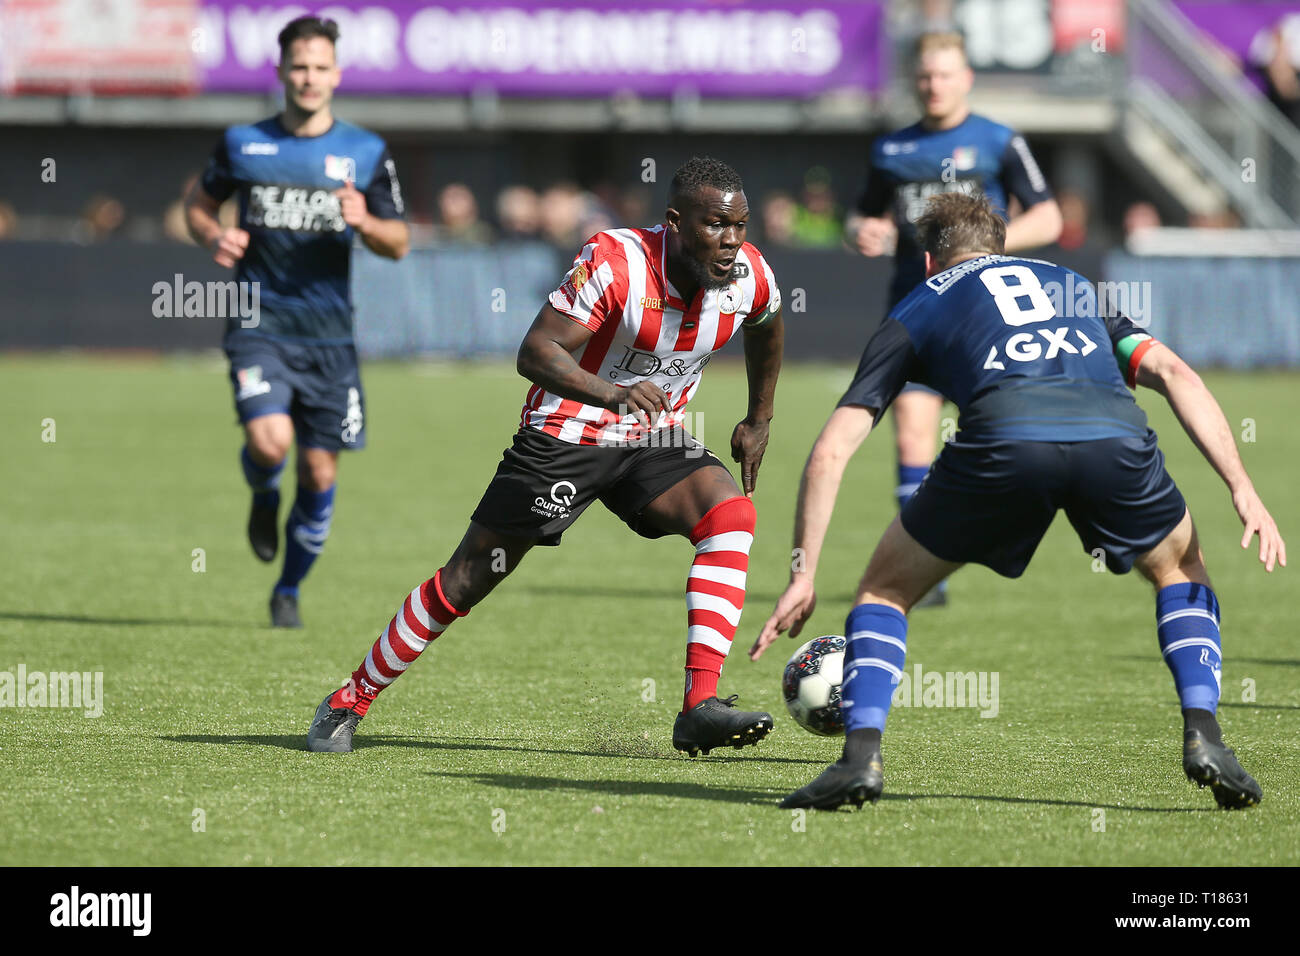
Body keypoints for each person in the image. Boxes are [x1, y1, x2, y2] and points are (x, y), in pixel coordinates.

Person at [753, 192, 1285, 811]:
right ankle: (1205, 735)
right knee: (1179, 569)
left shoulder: (918, 303)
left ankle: (860, 759)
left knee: (883, 592)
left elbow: (831, 449)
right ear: (1004, 247)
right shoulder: (1072, 283)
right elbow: (1175, 374)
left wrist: (804, 572)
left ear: (929, 261)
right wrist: (1241, 485)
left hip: (1005, 444)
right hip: (1113, 439)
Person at [307, 157, 785, 756]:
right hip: (566, 435)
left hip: (651, 438)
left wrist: (759, 418)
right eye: (717, 225)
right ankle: (349, 699)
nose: (732, 241)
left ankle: (699, 706)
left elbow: (767, 323)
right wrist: (612, 392)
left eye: (740, 225)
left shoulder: (747, 274)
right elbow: (535, 351)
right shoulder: (616, 262)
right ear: (674, 222)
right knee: (469, 578)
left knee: (731, 517)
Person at [183, 16, 409, 628]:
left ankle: (287, 589)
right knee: (270, 441)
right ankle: (262, 491)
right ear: (281, 72)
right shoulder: (242, 144)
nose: (308, 78)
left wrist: (365, 220)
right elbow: (198, 205)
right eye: (298, 67)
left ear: (335, 74)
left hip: (331, 339)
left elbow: (399, 242)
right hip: (259, 324)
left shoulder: (365, 152)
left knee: (317, 469)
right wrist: (213, 234)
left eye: (319, 67)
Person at [845, 30, 1062, 607]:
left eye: (944, 74)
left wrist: (979, 243)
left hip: (981, 313)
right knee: (914, 433)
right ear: (914, 81)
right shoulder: (890, 151)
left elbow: (1049, 217)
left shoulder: (999, 140)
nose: (933, 85)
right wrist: (858, 232)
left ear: (966, 78)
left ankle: (1002, 534)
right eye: (924, 76)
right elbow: (860, 218)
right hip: (916, 314)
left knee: (1003, 432)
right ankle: (928, 565)